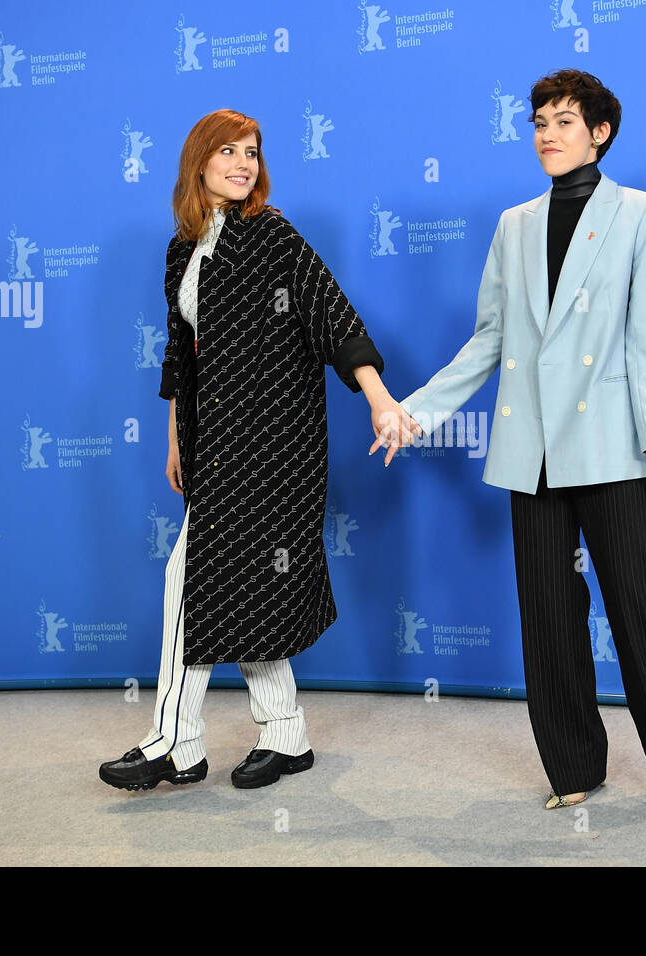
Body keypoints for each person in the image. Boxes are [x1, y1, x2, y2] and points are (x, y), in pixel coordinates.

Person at [389, 69, 646, 822]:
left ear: (600, 132)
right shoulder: (513, 224)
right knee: (547, 615)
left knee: (640, 611)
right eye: (538, 121)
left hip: (611, 444)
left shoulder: (641, 213)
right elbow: (490, 341)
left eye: (564, 121)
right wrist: (413, 414)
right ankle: (573, 764)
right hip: (530, 451)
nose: (546, 133)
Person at [99, 108, 418, 792]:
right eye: (229, 151)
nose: (243, 163)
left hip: (276, 445)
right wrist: (173, 438)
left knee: (193, 581)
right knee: (241, 587)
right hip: (212, 446)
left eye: (252, 152)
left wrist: (380, 396)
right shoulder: (182, 250)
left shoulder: (271, 236)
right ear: (200, 162)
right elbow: (181, 356)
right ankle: (285, 734)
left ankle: (172, 743)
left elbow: (333, 315)